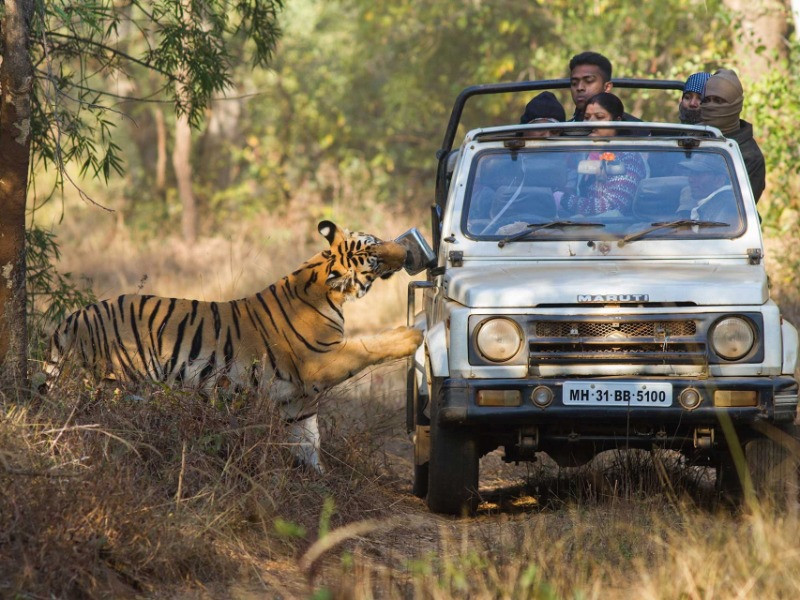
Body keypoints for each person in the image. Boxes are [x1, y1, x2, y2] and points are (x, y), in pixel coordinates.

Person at [559, 93, 646, 216]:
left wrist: (564, 200)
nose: (591, 123)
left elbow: (614, 207)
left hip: (617, 231)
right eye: (587, 117)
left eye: (599, 117)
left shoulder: (629, 157)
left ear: (617, 122)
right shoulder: (582, 153)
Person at [700, 69, 765, 202]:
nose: (711, 105)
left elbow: (742, 207)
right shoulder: (692, 136)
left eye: (718, 101)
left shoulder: (750, 156)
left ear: (735, 105)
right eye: (707, 100)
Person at [567, 52, 640, 123]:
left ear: (607, 87)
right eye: (574, 83)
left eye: (588, 81)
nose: (579, 88)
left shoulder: (636, 128)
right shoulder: (562, 129)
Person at [676, 153, 736, 223]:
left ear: (719, 180)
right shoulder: (720, 202)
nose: (690, 179)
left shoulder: (727, 207)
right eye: (691, 173)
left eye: (698, 174)